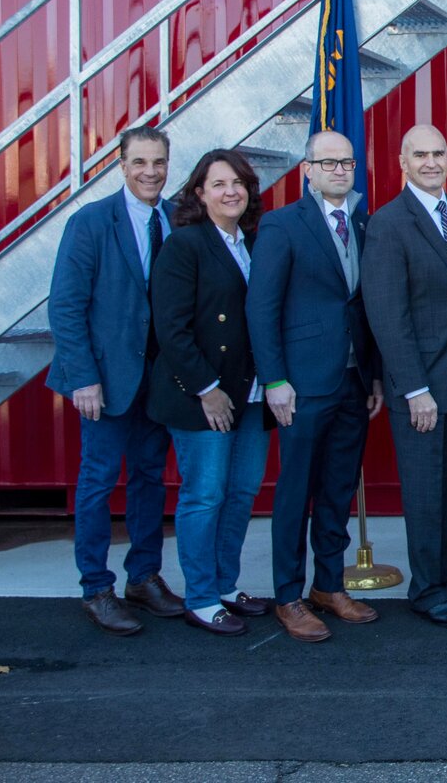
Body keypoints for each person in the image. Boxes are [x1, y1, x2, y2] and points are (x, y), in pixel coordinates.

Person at [246, 131, 385, 643]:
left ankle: (330, 585)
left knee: (337, 490)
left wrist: (371, 375)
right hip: (301, 385)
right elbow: (261, 309)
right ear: (307, 169)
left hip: (352, 381)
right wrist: (275, 380)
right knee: (295, 491)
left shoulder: (364, 224)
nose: (339, 170)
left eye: (346, 162)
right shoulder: (282, 225)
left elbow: (363, 306)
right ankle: (289, 595)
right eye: (327, 163)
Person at [48, 126, 186, 634]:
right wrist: (83, 378)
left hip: (157, 380)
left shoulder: (176, 218)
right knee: (98, 480)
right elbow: (65, 305)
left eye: (159, 162)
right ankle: (96, 588)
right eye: (140, 162)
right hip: (103, 381)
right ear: (120, 165)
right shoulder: (90, 222)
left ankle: (143, 578)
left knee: (150, 477)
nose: (151, 172)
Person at [363, 125, 447, 629]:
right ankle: (426, 588)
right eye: (421, 154)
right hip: (424, 389)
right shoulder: (388, 224)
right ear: (402, 161)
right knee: (426, 491)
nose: (432, 162)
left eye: (439, 153)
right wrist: (415, 389)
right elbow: (387, 316)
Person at [147, 149, 274, 637]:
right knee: (204, 494)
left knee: (241, 493)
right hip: (204, 396)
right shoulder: (186, 245)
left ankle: (224, 584)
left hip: (250, 392)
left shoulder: (251, 241)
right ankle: (200, 596)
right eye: (219, 184)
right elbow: (171, 329)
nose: (231, 192)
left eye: (238, 183)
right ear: (199, 193)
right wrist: (207, 389)